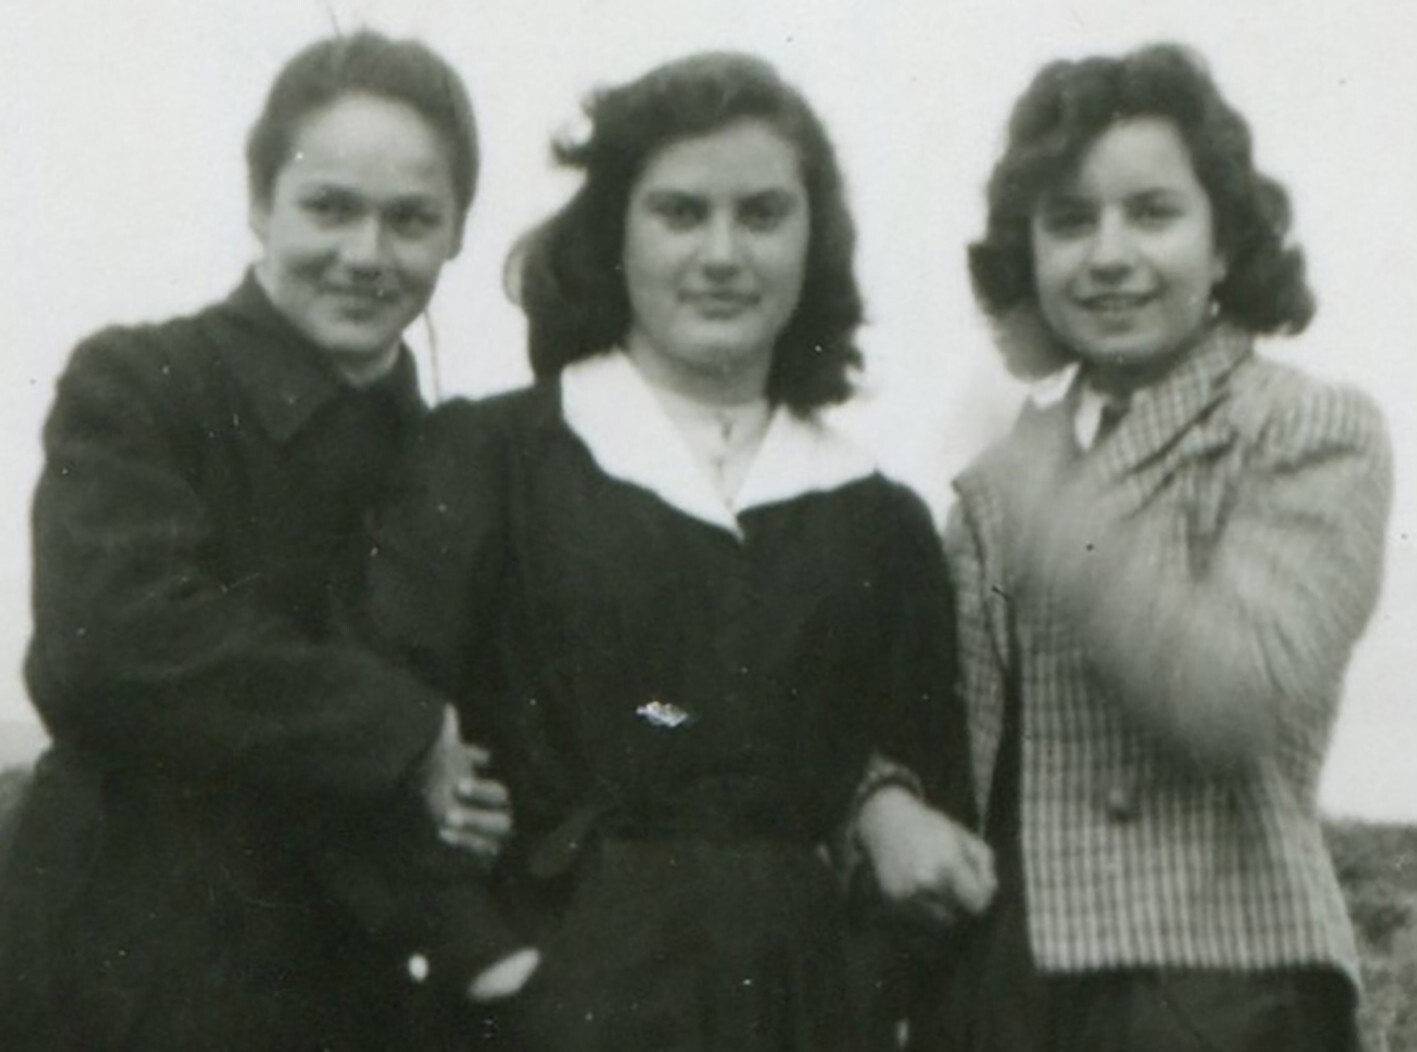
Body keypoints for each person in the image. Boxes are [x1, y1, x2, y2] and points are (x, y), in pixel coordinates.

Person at [364, 51, 990, 1051]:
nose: (721, 253)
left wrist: (864, 980)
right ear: (615, 233)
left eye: (762, 213)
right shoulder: (493, 457)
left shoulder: (878, 519)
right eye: (679, 212)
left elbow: (930, 814)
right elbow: (382, 725)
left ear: (812, 239)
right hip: (539, 1006)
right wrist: (495, 964)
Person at [0, 31, 520, 1050]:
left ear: (457, 231)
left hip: (367, 991)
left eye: (411, 219)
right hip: (136, 969)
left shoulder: (454, 459)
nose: (367, 256)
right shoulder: (142, 383)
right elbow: (108, 646)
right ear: (258, 203)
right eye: (329, 208)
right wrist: (403, 730)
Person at [881, 42, 1392, 1050]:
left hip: (1218, 982)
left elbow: (1236, 690)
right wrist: (882, 801)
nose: (1107, 253)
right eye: (1069, 221)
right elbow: (937, 733)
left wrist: (1061, 513)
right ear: (1026, 254)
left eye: (1151, 213)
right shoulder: (996, 484)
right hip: (999, 989)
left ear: (1226, 242)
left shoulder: (1303, 428)